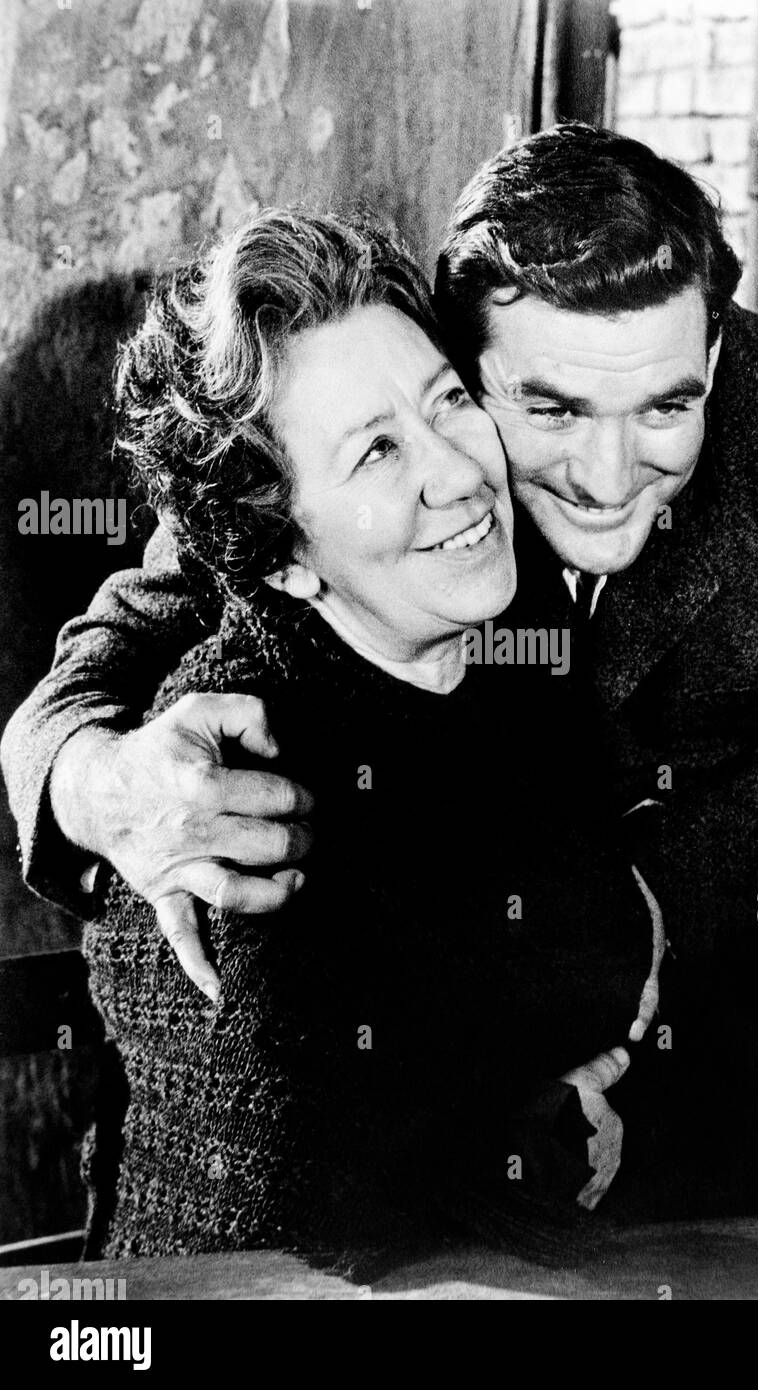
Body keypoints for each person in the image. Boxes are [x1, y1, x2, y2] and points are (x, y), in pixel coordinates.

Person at [3, 124, 758, 1218]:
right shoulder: (396, 386)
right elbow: (129, 634)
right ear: (464, 350)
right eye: (546, 409)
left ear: (717, 355)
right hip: (502, 949)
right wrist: (94, 784)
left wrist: (656, 871)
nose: (605, 475)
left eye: (667, 410)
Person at [64, 207, 664, 1269]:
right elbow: (303, 1219)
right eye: (378, 452)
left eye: (446, 403)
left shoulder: (514, 632)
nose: (460, 471)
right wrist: (526, 1136)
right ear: (285, 555)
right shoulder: (228, 783)